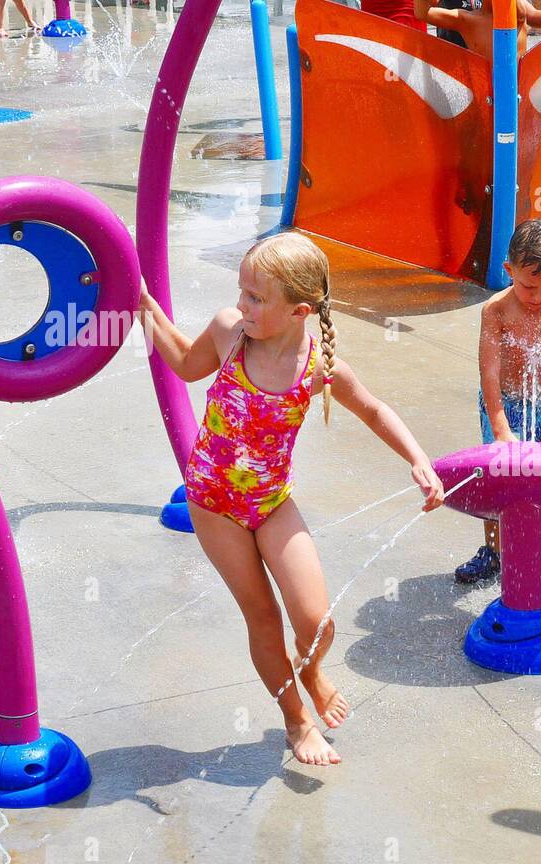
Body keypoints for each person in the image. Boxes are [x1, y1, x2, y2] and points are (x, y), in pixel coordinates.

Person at [138, 232, 445, 766]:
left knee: (317, 621)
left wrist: (417, 458)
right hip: (213, 504)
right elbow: (187, 364)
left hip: (273, 502)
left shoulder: (319, 369)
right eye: (242, 292)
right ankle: (297, 721)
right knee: (263, 616)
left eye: (256, 298)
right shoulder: (230, 335)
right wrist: (143, 305)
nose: (241, 305)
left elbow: (373, 409)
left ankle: (314, 669)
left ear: (301, 310)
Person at [456, 219, 541, 584]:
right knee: (496, 474)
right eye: (528, 285)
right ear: (508, 270)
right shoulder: (496, 311)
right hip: (504, 403)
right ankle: (493, 550)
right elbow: (490, 372)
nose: (538, 296)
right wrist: (500, 426)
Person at [414, 0, 541, 60]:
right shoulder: (468, 19)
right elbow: (422, 13)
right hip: (481, 91)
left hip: (519, 89)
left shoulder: (517, 10)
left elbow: (536, 15)